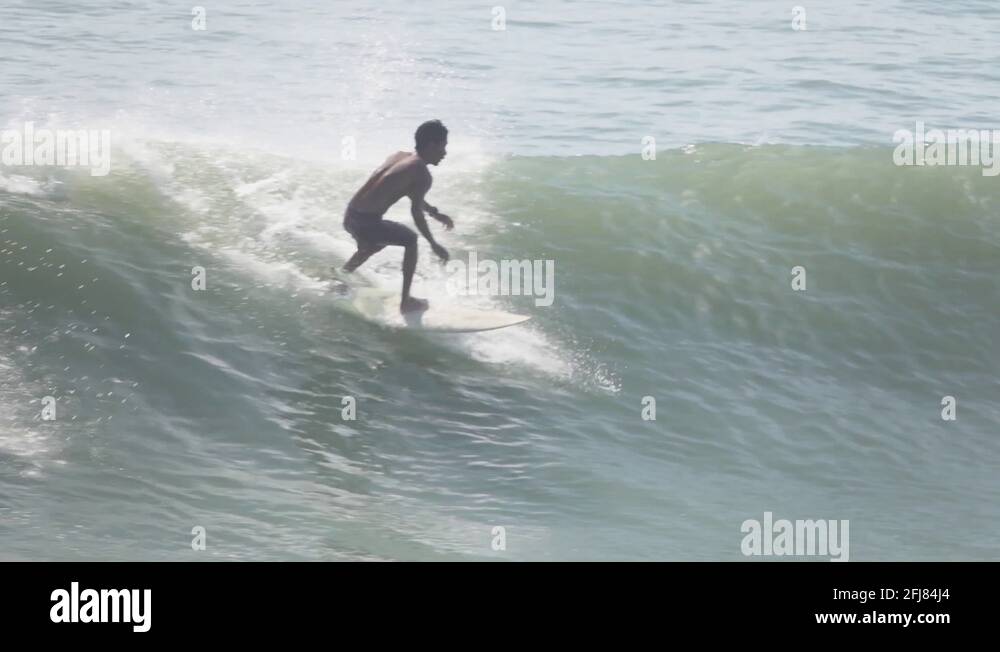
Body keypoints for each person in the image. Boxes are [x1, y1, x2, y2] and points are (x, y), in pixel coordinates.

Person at [342, 120, 454, 313]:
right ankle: (406, 302)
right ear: (431, 145)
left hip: (351, 216)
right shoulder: (422, 172)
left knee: (376, 242)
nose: (444, 153)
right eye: (442, 147)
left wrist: (434, 214)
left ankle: (342, 276)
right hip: (366, 223)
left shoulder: (399, 156)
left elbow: (409, 191)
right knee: (410, 239)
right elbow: (415, 212)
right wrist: (434, 244)